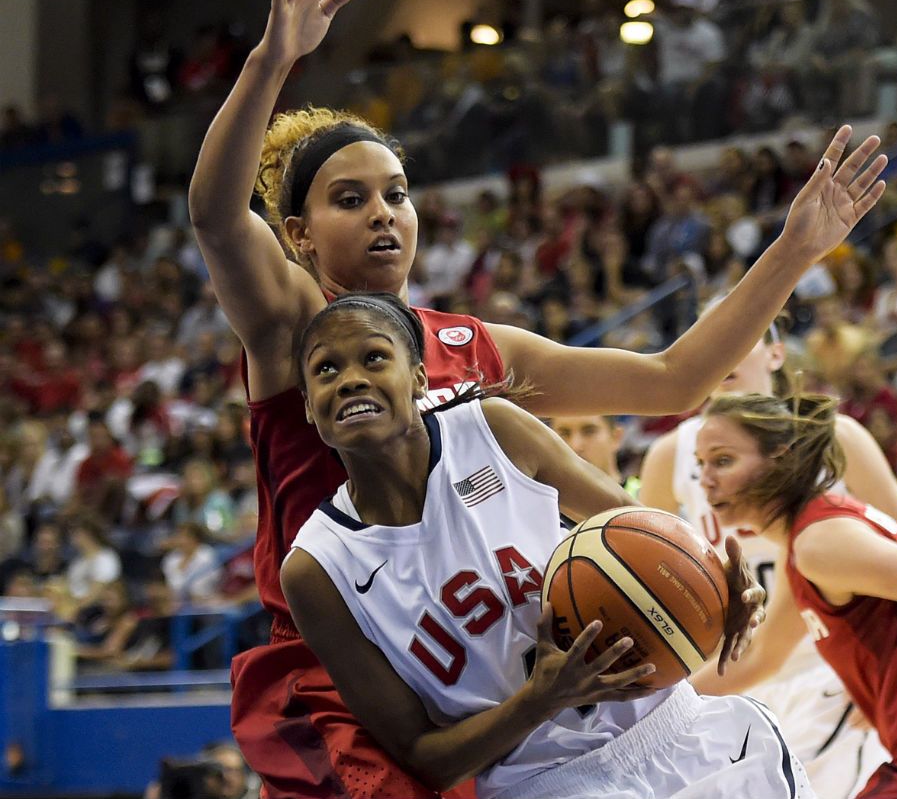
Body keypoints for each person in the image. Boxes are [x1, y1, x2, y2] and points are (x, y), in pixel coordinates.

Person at [189, 0, 887, 798]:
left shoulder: (481, 351)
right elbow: (219, 217)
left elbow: (674, 379)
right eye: (351, 200)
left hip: (505, 646)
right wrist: (271, 62)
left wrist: (794, 249)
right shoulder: (295, 331)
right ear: (298, 235)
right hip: (356, 651)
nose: (382, 213)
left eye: (398, 194)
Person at [281, 293, 809, 799]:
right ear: (308, 406)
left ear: (418, 376)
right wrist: (540, 700)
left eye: (374, 358)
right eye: (326, 370)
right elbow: (424, 759)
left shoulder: (491, 429)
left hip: (680, 730)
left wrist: (717, 590)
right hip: (543, 784)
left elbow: (651, 536)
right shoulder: (317, 569)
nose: (350, 380)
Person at [639, 315, 897, 799]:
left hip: (832, 669)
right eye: (713, 337)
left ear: (776, 355)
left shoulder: (834, 442)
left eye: (742, 333)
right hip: (729, 673)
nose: (727, 347)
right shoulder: (671, 454)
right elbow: (647, 582)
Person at [692, 392, 897, 798]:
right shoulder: (805, 544)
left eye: (723, 461)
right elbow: (763, 658)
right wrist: (658, 701)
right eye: (700, 465)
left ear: (779, 459)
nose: (706, 479)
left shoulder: (821, 543)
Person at [548, 414, 640, 498]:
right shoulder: (545, 503)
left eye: (589, 431)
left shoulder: (645, 495)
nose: (576, 445)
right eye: (564, 433)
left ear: (616, 437)